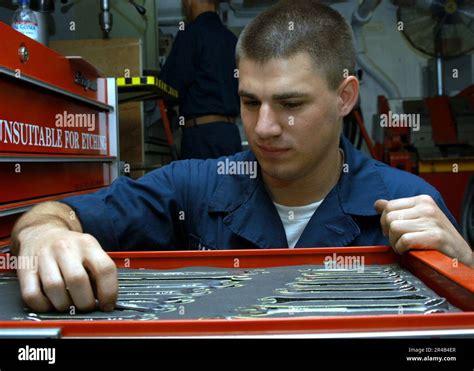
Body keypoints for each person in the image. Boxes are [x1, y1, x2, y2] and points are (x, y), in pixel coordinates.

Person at [11, 0, 473, 313]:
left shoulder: (409, 203)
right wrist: (43, 235)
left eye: (290, 105)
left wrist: (465, 270)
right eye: (250, 102)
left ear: (344, 96)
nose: (264, 128)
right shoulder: (194, 187)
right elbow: (55, 215)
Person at [159, 0, 242, 159]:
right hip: (230, 135)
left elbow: (168, 87)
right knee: (230, 183)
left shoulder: (190, 34)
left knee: (197, 184)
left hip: (201, 138)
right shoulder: (232, 40)